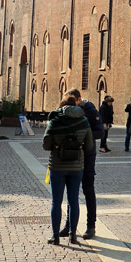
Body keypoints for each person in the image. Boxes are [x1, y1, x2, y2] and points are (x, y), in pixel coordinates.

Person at [42, 94, 93, 246]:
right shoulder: (84, 121)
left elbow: (46, 145)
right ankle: (73, 235)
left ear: (62, 105)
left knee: (56, 202)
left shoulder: (55, 120)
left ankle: (55, 236)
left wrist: (58, 145)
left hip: (57, 166)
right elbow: (89, 146)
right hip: (76, 166)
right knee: (73, 201)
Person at [57, 89, 102, 240]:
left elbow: (100, 132)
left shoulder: (90, 110)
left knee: (88, 189)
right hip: (73, 154)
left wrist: (82, 137)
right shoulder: (70, 111)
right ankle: (69, 226)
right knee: (72, 191)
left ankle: (91, 226)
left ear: (79, 100)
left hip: (87, 155)